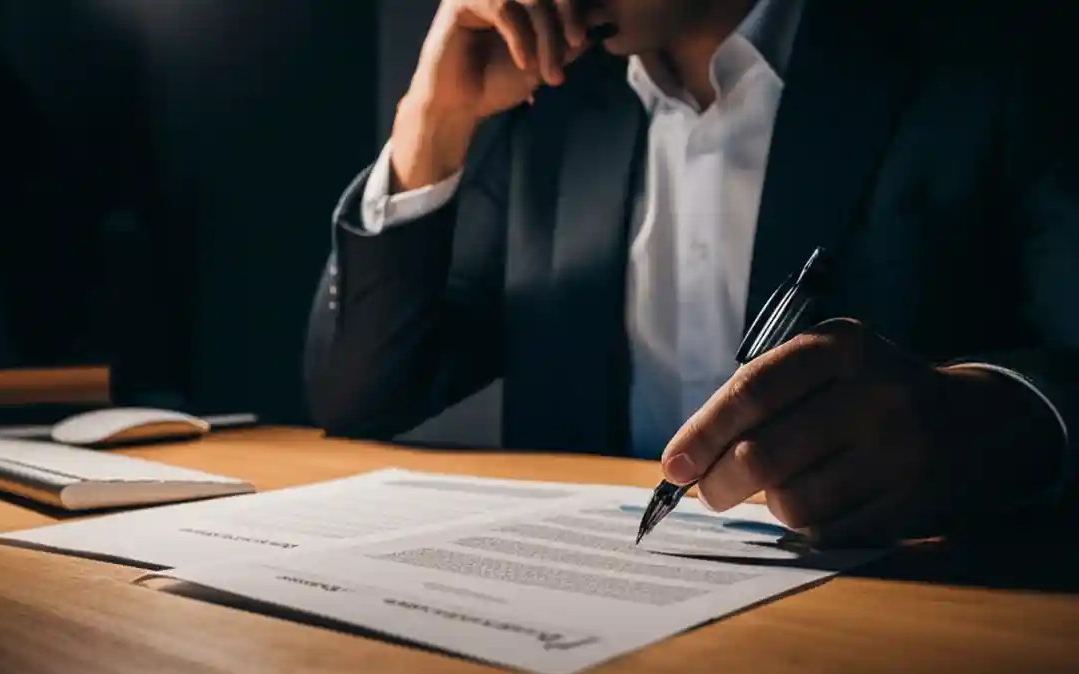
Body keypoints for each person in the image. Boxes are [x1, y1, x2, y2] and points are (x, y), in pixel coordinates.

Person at [305, 0, 1079, 545]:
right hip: (591, 632)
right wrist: (431, 120)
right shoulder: (544, 99)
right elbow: (363, 392)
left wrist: (972, 424)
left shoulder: (997, 46)